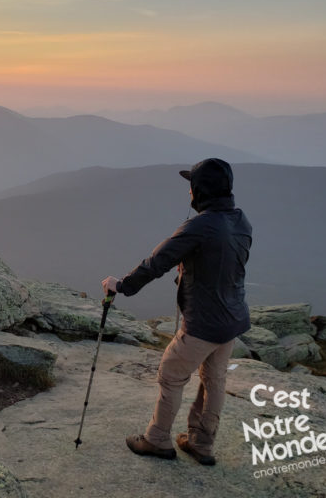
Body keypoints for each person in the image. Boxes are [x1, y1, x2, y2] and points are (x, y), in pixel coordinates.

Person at [102, 158, 252, 466]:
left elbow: (157, 262)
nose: (188, 193)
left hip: (203, 324)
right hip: (231, 321)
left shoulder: (200, 226)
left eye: (191, 187)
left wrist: (122, 286)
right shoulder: (240, 221)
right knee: (215, 379)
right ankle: (202, 443)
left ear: (200, 190)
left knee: (170, 374)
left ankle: (157, 440)